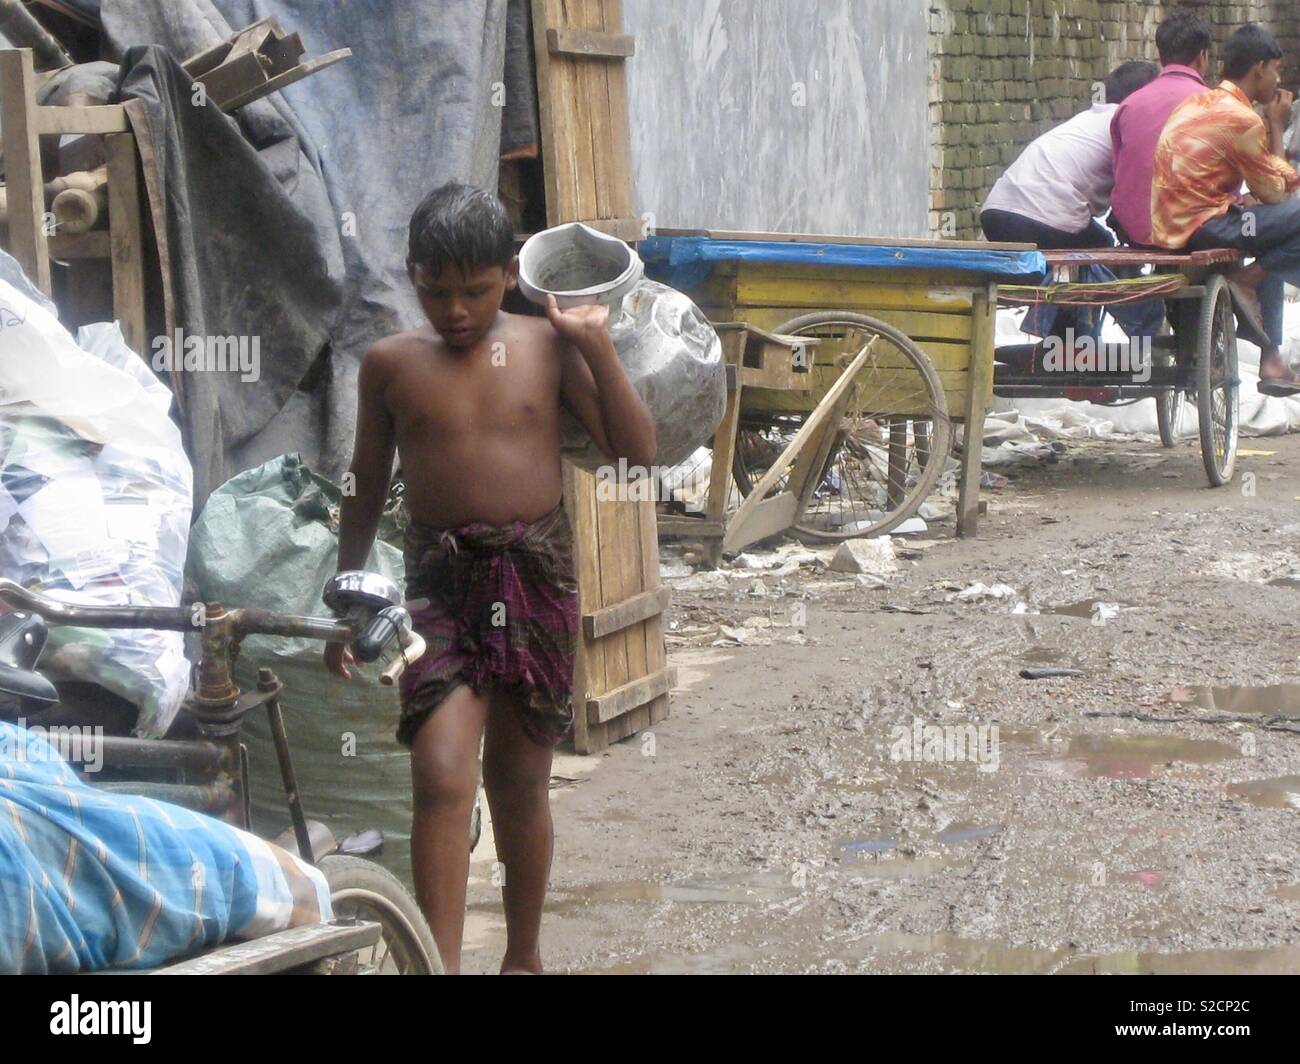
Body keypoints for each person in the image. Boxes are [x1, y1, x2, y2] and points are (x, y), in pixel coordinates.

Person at [324, 183, 656, 972]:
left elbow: (634, 451)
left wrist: (597, 345)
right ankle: (438, 964)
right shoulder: (390, 366)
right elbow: (364, 487)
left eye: (474, 290)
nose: (457, 311)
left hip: (536, 572)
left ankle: (523, 956)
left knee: (518, 782)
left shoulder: (547, 346)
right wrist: (346, 596)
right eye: (435, 292)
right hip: (437, 583)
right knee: (440, 772)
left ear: (510, 274)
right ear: (411, 277)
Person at [1151, 24, 1300, 395]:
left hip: (1176, 224)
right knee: (1283, 225)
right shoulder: (1243, 118)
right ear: (1260, 68)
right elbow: (1273, 193)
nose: (1278, 81)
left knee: (1272, 232)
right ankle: (1245, 282)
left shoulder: (1198, 102)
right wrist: (1278, 126)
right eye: (1276, 72)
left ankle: (1271, 358)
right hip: (1206, 225)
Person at [981, 61, 1159, 248]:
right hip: (1043, 219)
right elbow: (1135, 193)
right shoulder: (1128, 122)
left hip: (995, 213)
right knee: (1104, 247)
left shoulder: (1087, 119)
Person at [1110, 11, 1215, 248]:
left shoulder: (1129, 104)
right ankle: (1247, 282)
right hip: (1196, 233)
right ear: (1202, 56)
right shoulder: (1217, 105)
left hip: (1135, 232)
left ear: (1161, 54)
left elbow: (1121, 174)